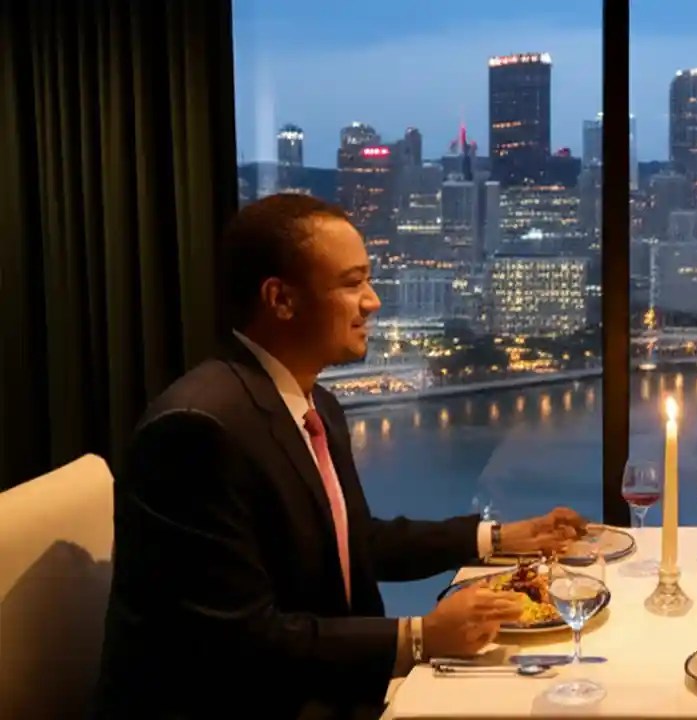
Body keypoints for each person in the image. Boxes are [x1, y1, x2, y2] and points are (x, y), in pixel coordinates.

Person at [93, 194, 587, 719]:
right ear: (281, 299)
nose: (372, 301)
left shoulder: (316, 404)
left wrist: (501, 538)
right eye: (353, 284)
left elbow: (353, 541)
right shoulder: (195, 432)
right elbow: (239, 639)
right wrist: (419, 637)